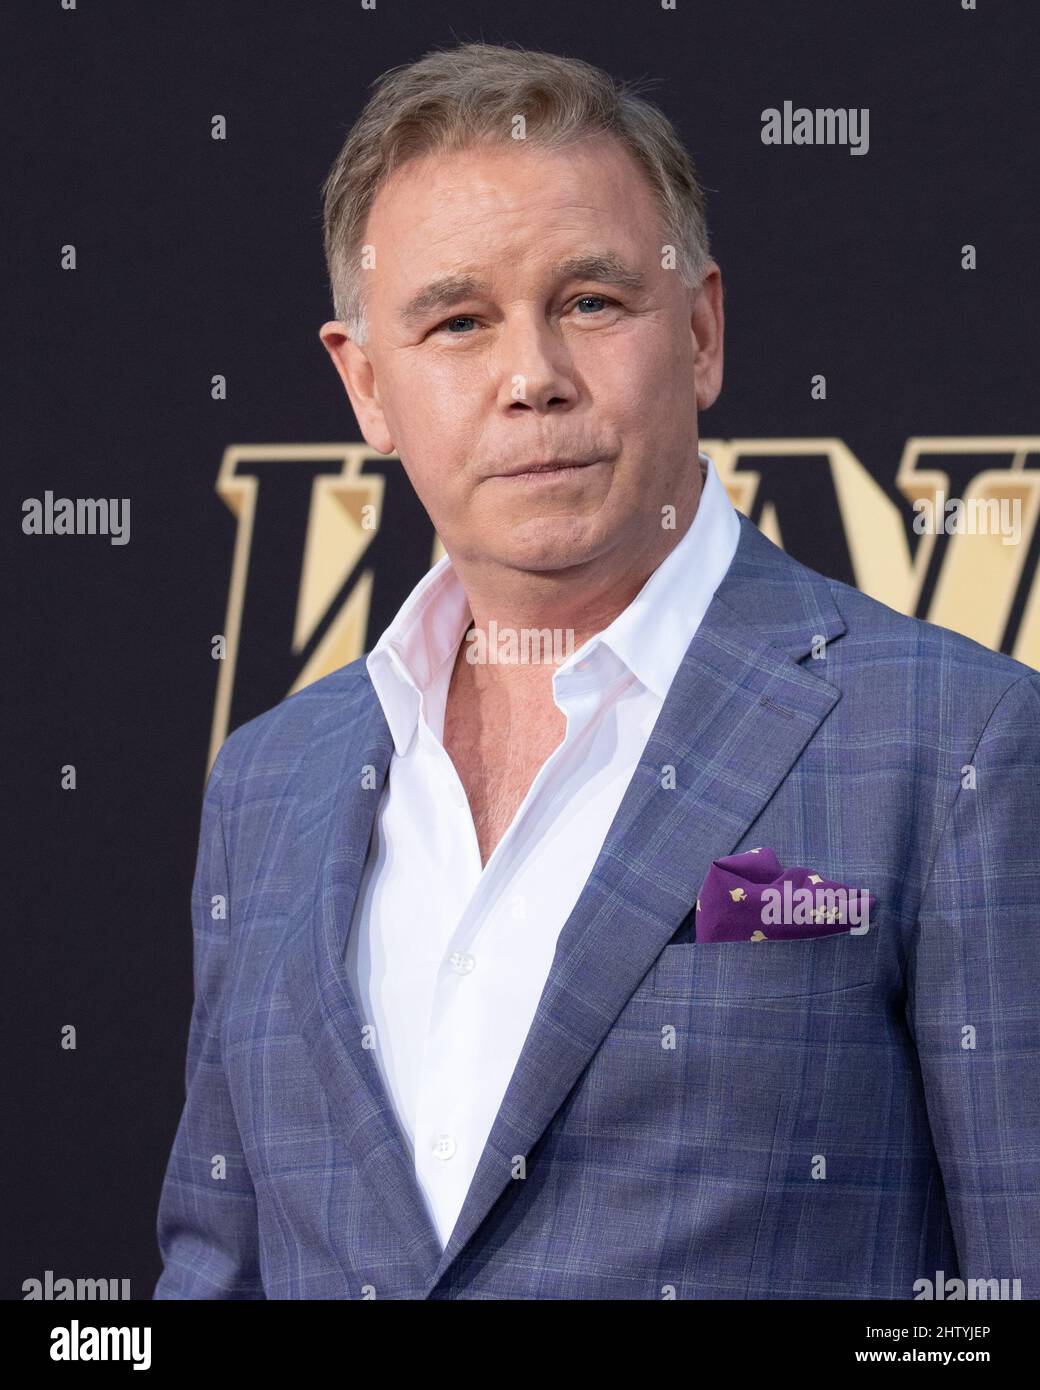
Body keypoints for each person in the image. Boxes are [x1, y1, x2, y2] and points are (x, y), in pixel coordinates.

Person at [153, 41, 1040, 1300]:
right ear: (365, 384)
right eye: (457, 322)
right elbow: (217, 1267)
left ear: (700, 332)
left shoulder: (954, 743)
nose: (532, 379)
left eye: (589, 302)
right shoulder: (266, 783)